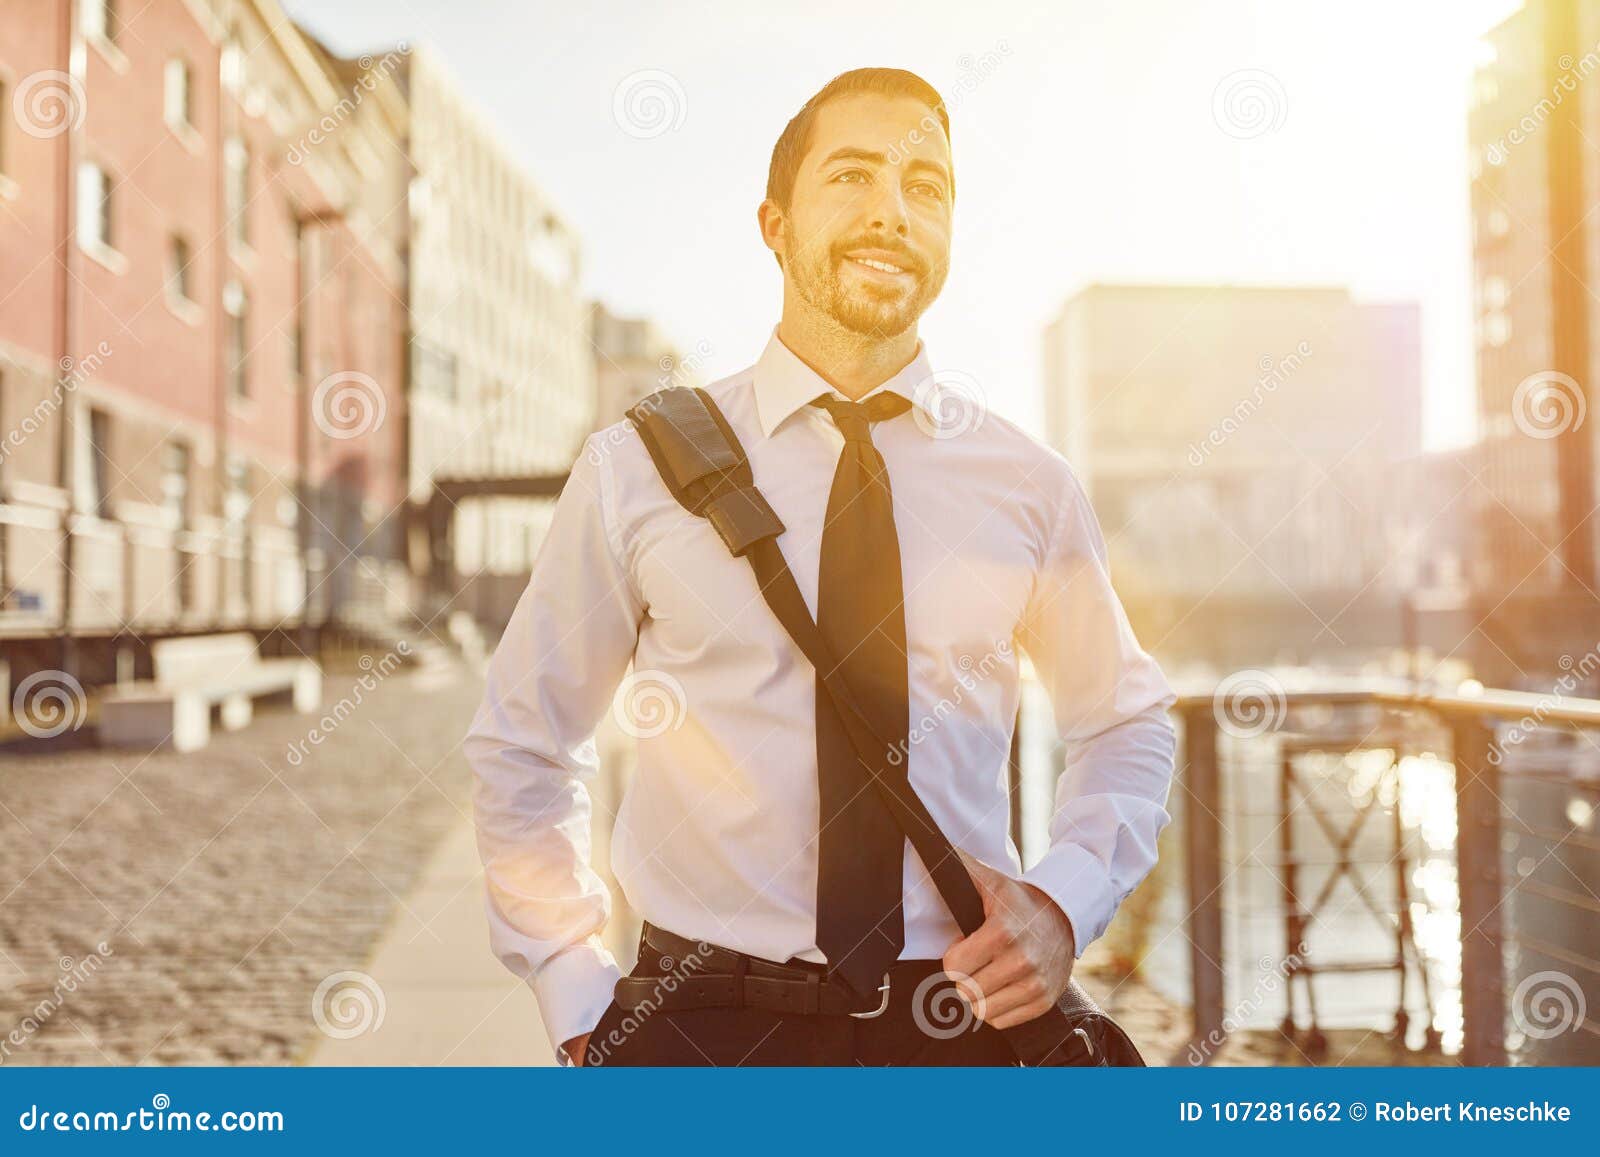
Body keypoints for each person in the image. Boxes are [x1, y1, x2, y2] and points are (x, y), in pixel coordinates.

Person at [464, 67, 1176, 1066]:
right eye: (851, 176)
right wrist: (568, 976)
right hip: (702, 1021)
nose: (892, 211)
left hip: (961, 1020)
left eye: (926, 187)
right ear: (774, 223)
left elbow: (1125, 719)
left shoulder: (1028, 482)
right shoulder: (633, 469)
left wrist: (1062, 899)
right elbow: (525, 737)